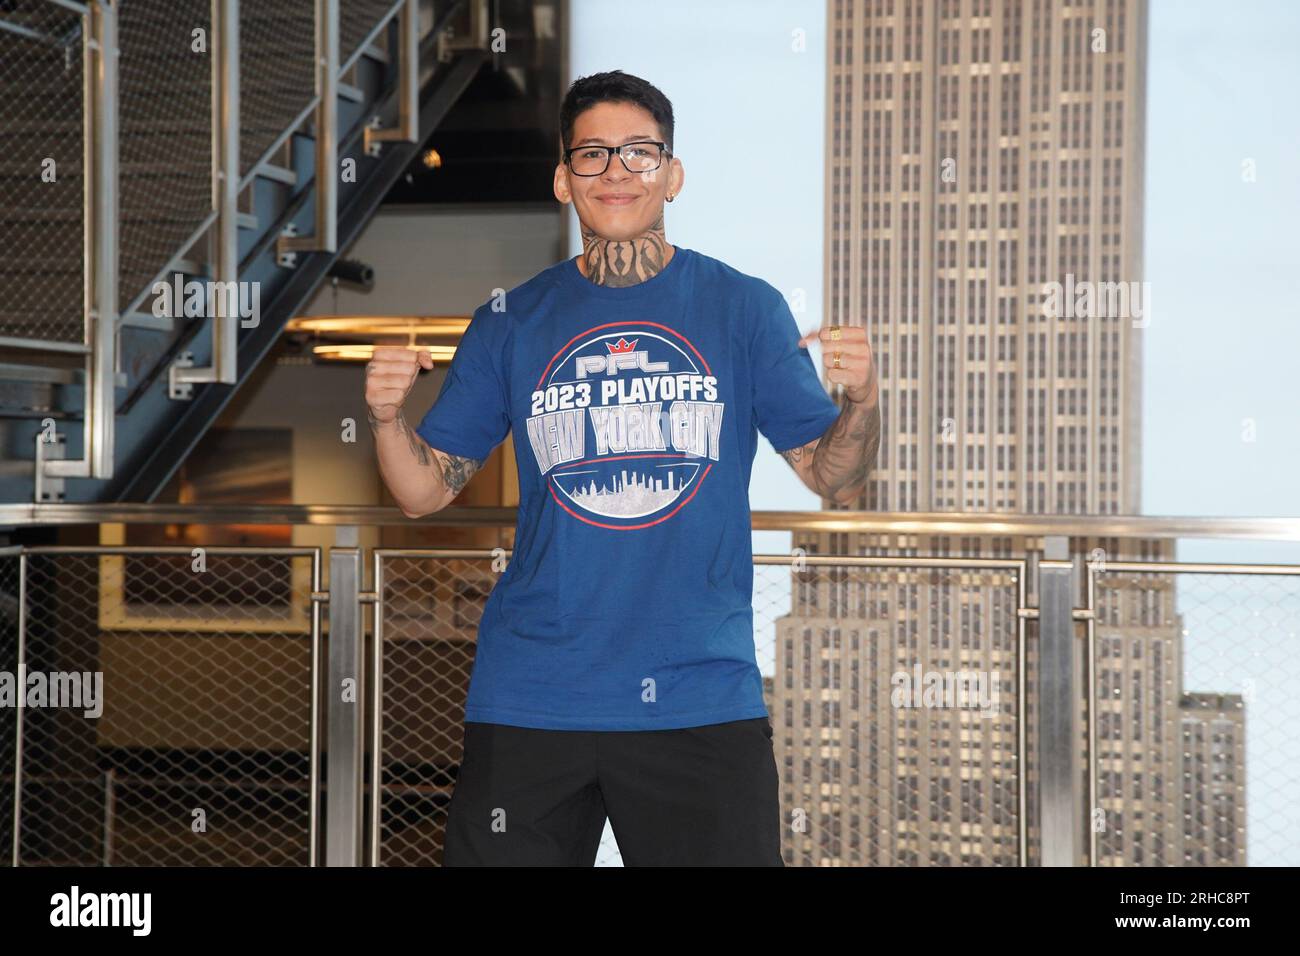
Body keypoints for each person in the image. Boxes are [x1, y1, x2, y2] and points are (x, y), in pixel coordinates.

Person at [364, 70, 881, 866]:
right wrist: (384, 419)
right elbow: (426, 491)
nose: (616, 172)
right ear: (563, 179)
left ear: (672, 174)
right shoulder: (511, 319)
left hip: (698, 696)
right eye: (594, 155)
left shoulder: (743, 307)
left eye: (639, 154)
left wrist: (864, 402)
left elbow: (833, 478)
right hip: (533, 694)